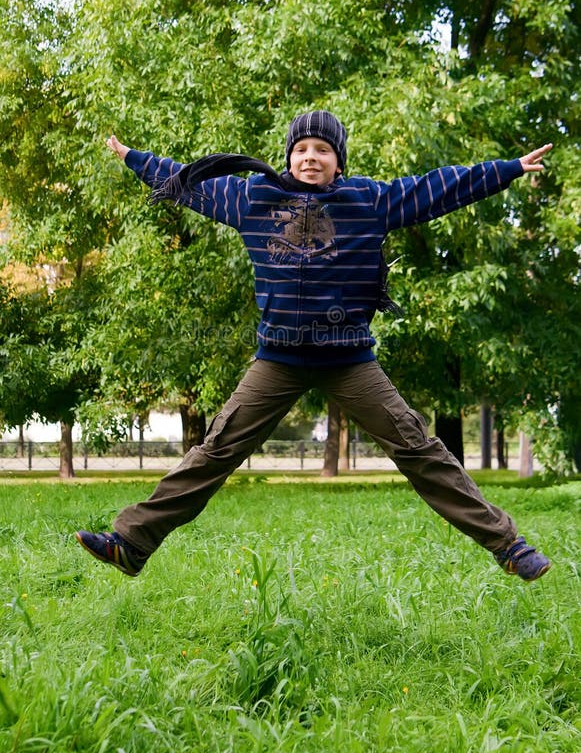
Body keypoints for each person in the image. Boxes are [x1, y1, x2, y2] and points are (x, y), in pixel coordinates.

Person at [76, 111, 552, 581]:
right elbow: (191, 181)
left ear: (338, 161)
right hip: (278, 361)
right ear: (288, 157)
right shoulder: (254, 198)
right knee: (216, 449)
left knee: (419, 449)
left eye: (322, 150)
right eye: (301, 149)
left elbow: (438, 188)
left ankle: (508, 545)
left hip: (349, 360)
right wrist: (135, 158)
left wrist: (507, 169)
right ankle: (131, 544)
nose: (310, 157)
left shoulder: (368, 201)